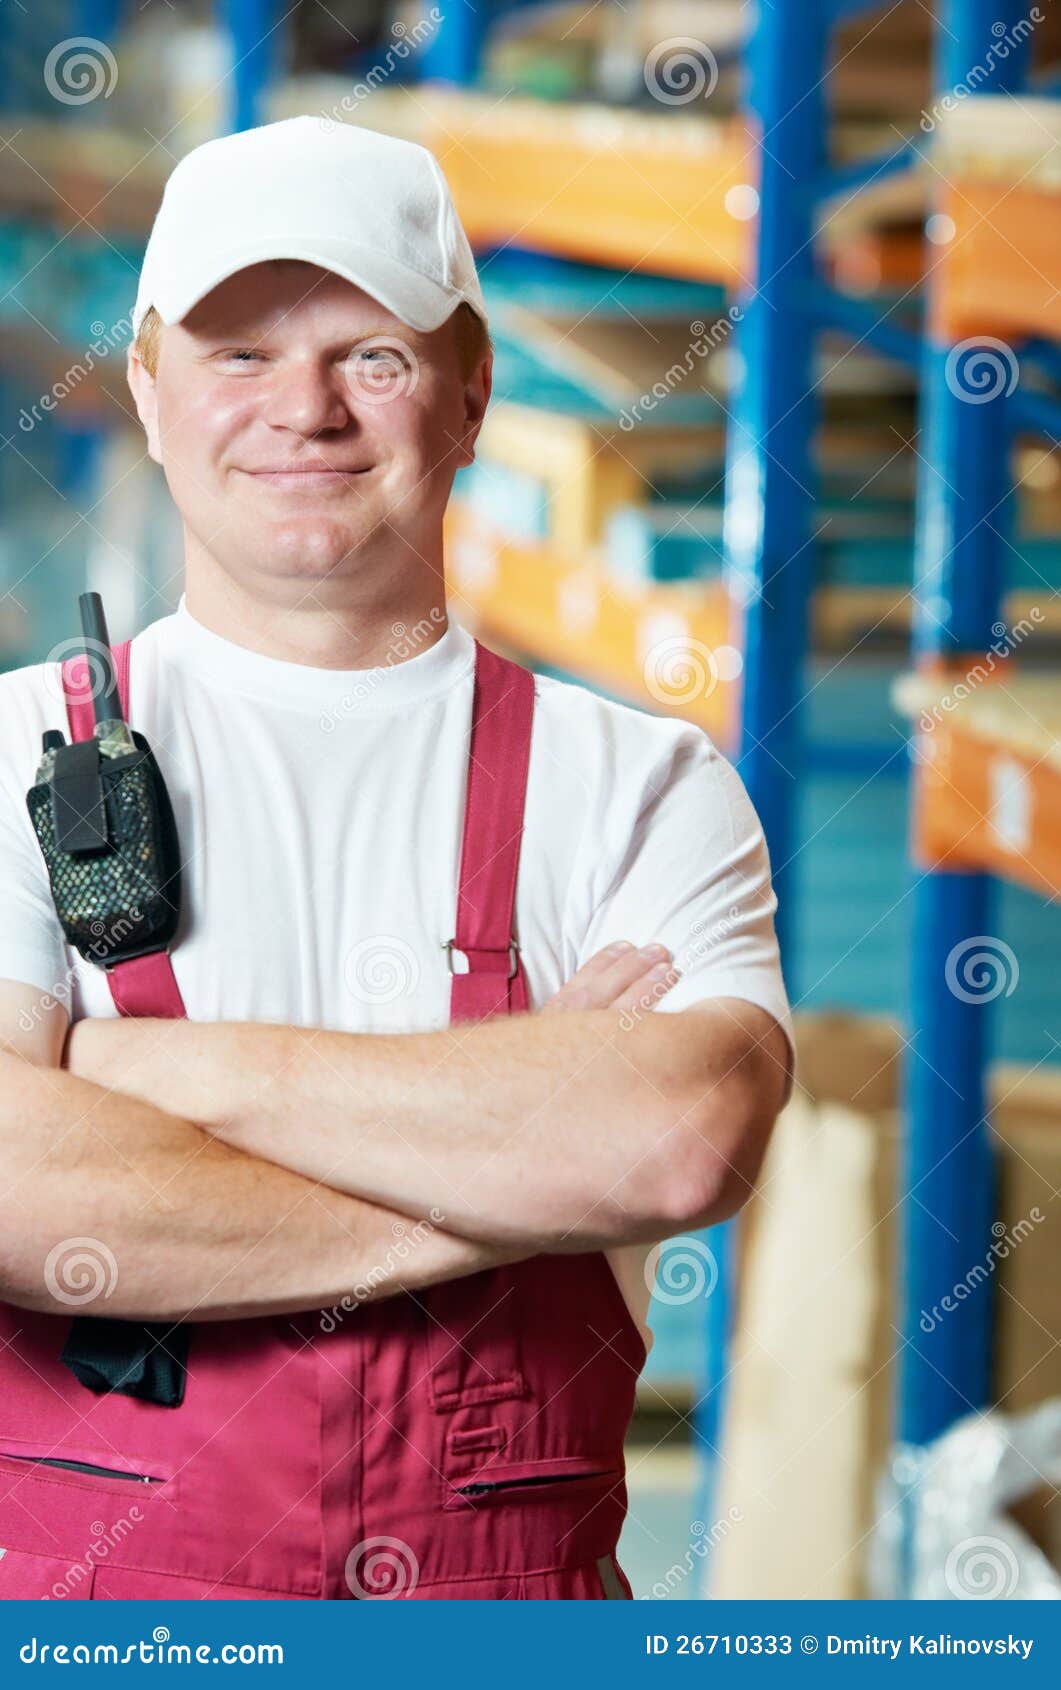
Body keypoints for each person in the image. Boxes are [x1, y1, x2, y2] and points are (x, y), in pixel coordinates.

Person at [0, 116, 794, 1601]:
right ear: (150, 397)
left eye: (369, 354)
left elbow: (677, 1139)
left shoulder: (642, 788)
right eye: (240, 353)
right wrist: (524, 1168)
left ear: (473, 388)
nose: (303, 410)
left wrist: (149, 1077)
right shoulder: (3, 761)